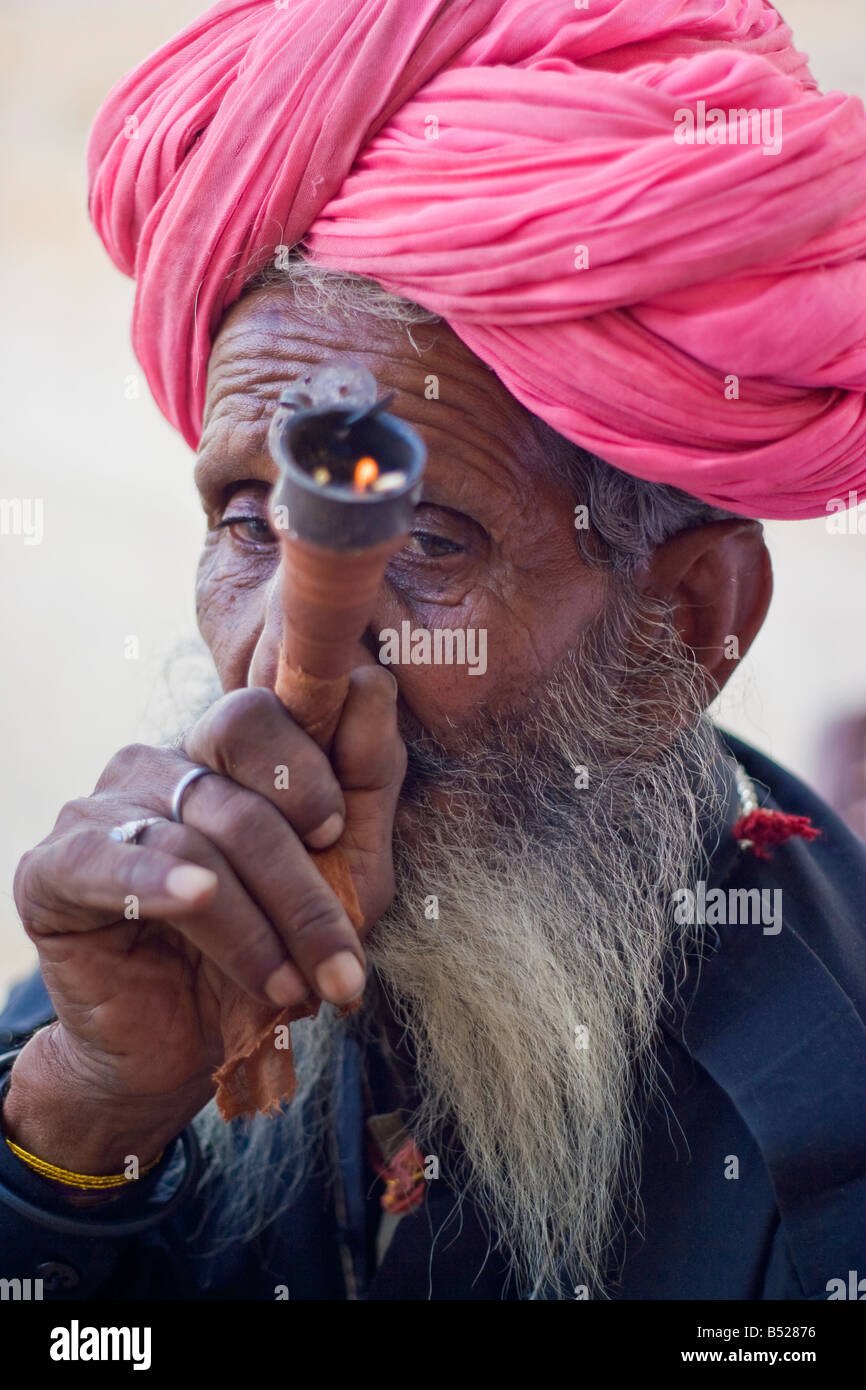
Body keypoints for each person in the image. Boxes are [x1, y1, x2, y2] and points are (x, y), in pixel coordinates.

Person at [1, 0, 864, 1301]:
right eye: (247, 521)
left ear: (685, 625)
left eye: (428, 545)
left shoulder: (826, 1157)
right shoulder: (131, 965)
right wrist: (75, 1128)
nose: (281, 658)